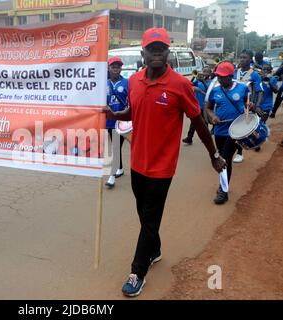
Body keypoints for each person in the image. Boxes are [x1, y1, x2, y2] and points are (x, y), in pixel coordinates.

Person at [105, 28, 226, 297]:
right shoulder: (135, 81)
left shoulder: (179, 85)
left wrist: (214, 154)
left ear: (168, 53)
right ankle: (154, 249)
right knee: (143, 215)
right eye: (152, 48)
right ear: (143, 54)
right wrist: (115, 113)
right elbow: (133, 111)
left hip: (162, 168)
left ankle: (138, 272)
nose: (157, 52)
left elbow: (198, 122)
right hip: (138, 164)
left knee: (149, 219)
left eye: (162, 48)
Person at [205, 62, 253, 205]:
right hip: (219, 130)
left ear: (231, 76)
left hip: (235, 130)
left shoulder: (242, 88)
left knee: (225, 159)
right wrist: (212, 116)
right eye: (218, 76)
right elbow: (208, 108)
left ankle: (223, 191)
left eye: (223, 77)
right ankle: (224, 184)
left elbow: (250, 104)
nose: (220, 79)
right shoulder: (215, 90)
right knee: (221, 157)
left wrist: (250, 105)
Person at [232, 49, 264, 163]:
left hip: (247, 105)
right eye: (240, 57)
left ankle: (240, 153)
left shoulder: (255, 74)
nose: (241, 59)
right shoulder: (235, 72)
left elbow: (260, 91)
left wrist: (258, 105)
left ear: (250, 59)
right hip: (234, 105)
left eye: (244, 57)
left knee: (244, 129)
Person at [105, 56, 129, 188]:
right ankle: (120, 168)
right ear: (109, 68)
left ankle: (112, 176)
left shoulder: (127, 83)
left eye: (118, 66)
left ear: (121, 68)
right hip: (109, 121)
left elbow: (131, 100)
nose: (115, 68)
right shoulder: (105, 83)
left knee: (115, 147)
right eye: (113, 66)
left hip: (123, 120)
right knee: (115, 146)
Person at [182, 67, 212, 144]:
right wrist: (194, 77)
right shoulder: (198, 81)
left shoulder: (211, 82)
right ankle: (189, 138)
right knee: (194, 122)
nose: (204, 73)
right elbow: (189, 84)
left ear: (210, 74)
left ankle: (206, 138)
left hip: (205, 106)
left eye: (206, 71)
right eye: (203, 71)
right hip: (196, 105)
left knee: (205, 123)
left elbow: (209, 91)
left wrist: (203, 82)